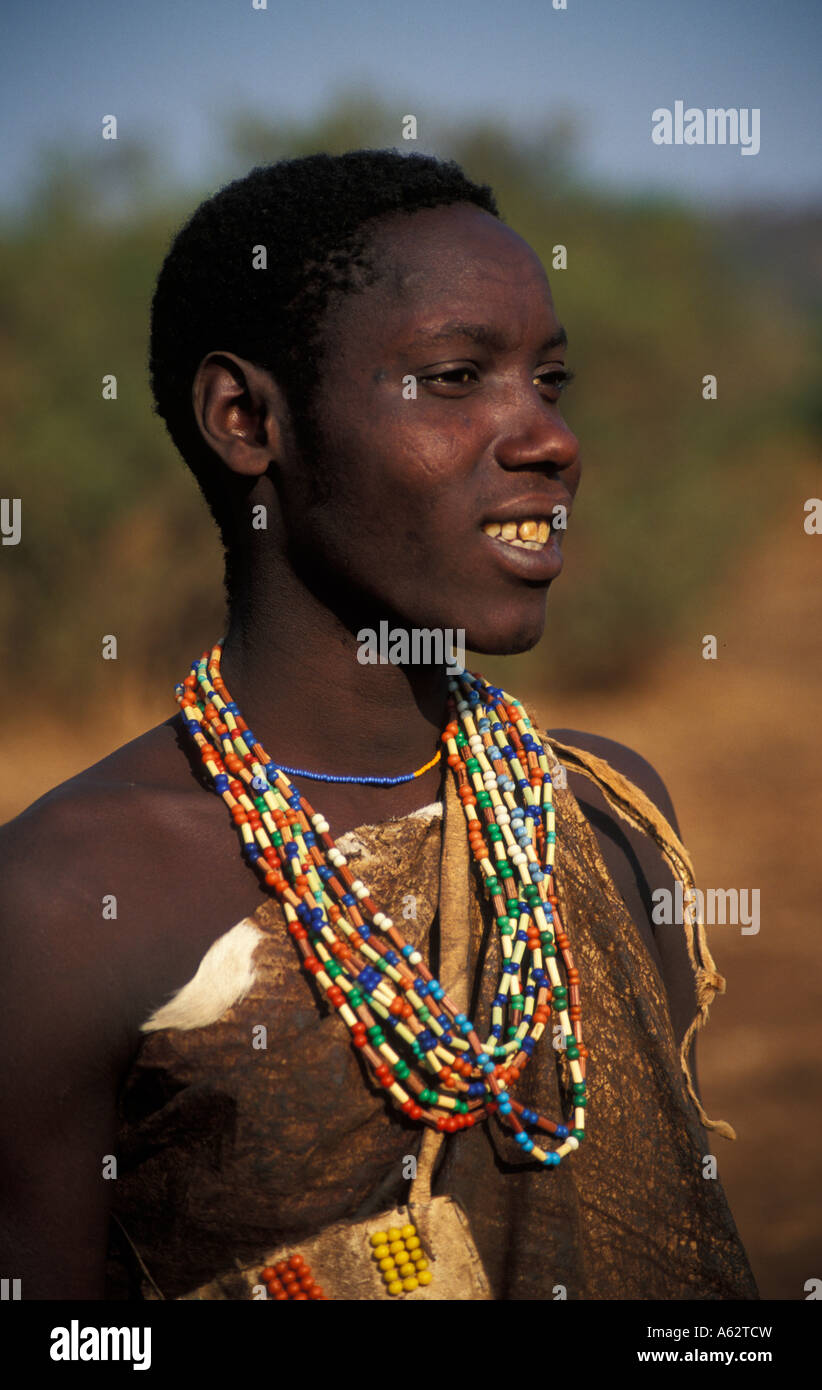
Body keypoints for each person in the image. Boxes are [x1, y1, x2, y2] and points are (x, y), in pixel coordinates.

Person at [0, 150, 758, 1301]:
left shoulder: (600, 814)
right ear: (248, 420)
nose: (550, 439)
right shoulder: (68, 897)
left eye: (548, 380)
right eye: (457, 378)